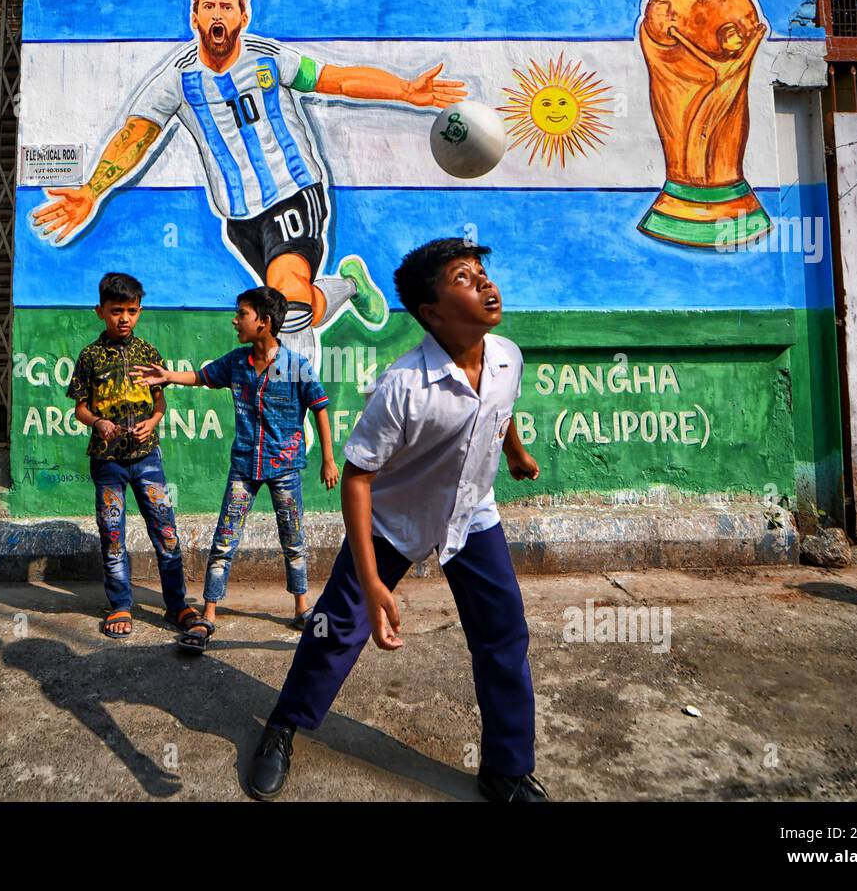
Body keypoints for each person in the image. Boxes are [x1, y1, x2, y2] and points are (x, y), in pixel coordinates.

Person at [31, 0, 466, 362]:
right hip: (240, 220)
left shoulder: (269, 58)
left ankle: (292, 420)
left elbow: (337, 79)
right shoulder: (178, 78)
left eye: (226, 5)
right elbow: (135, 134)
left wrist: (406, 91)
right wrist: (92, 189)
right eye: (207, 6)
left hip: (294, 193)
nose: (217, 13)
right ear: (195, 19)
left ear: (242, 17)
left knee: (290, 300)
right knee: (289, 308)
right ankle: (349, 285)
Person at [246, 238, 550, 801]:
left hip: (471, 518)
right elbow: (358, 479)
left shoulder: (507, 354)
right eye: (464, 277)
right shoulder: (403, 386)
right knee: (336, 629)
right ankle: (283, 725)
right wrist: (372, 581)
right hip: (393, 522)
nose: (485, 283)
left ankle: (505, 769)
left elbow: (500, 406)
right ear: (431, 312)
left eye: (483, 272)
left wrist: (514, 451)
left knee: (503, 635)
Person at [133, 286, 339, 653]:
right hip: (244, 465)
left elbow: (320, 407)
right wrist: (166, 375)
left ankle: (301, 608)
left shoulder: (296, 367)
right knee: (224, 539)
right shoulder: (237, 363)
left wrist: (328, 458)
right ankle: (208, 616)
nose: (235, 319)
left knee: (293, 540)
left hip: (286, 467)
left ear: (264, 322)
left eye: (242, 314)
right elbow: (201, 376)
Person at [66, 272, 203, 638]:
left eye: (131, 310)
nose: (123, 318)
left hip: (147, 459)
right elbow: (80, 408)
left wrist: (154, 422)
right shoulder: (90, 357)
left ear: (139, 311)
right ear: (100, 312)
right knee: (112, 535)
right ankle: (120, 605)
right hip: (107, 462)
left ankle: (177, 605)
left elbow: (160, 401)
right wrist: (98, 423)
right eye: (115, 311)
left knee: (167, 532)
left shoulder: (148, 353)